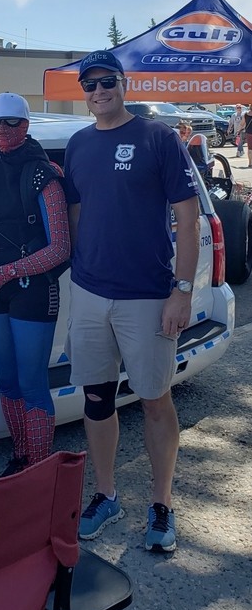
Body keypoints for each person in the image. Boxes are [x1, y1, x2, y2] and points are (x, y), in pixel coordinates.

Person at [64, 51, 199, 553]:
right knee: (96, 398)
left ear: (123, 84)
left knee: (154, 399)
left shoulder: (157, 137)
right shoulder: (78, 144)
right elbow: (77, 212)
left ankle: (161, 503)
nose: (98, 91)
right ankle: (106, 494)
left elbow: (188, 220)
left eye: (106, 82)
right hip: (91, 290)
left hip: (146, 295)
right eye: (90, 84)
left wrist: (181, 291)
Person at [0, 92, 70, 474]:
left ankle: (38, 471)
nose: (3, 130)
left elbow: (60, 248)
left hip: (31, 288)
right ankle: (20, 457)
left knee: (32, 382)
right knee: (7, 381)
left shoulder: (45, 174)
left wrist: (4, 272)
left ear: (26, 125)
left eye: (12, 122)